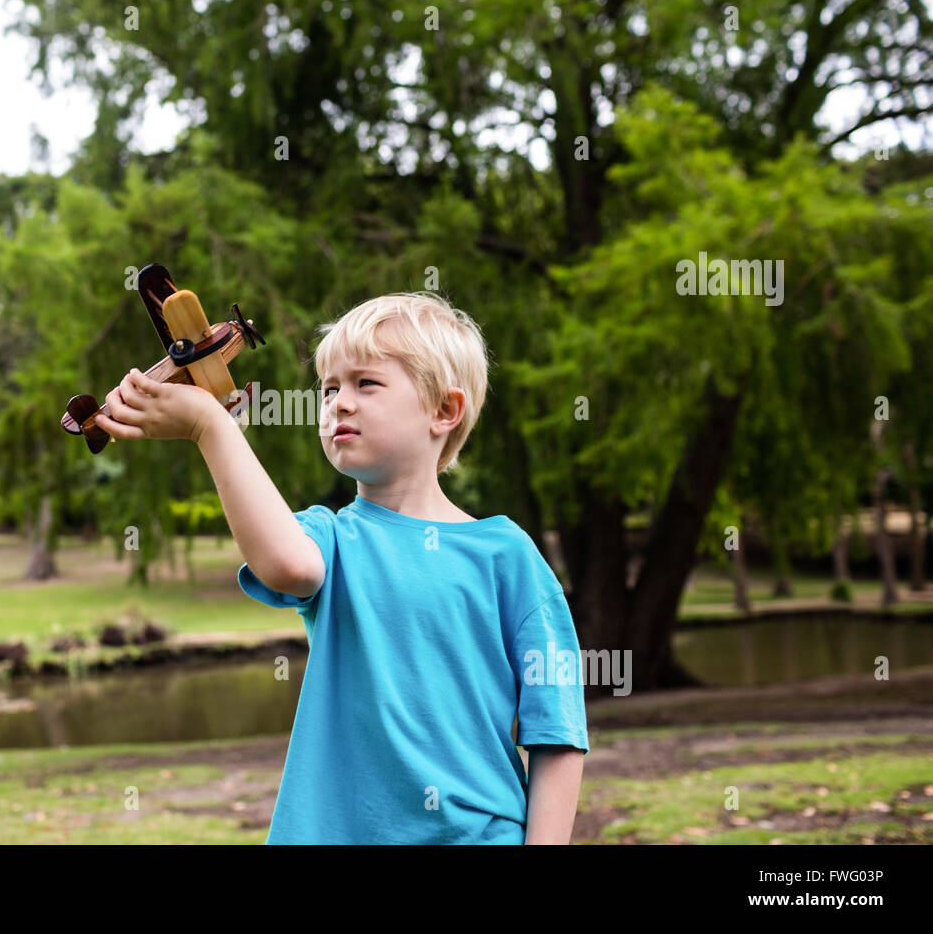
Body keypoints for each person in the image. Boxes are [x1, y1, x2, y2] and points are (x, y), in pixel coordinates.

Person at [94, 291, 589, 844]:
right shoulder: (329, 538)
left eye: (365, 384)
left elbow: (557, 732)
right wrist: (212, 427)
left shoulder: (508, 556)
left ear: (444, 411)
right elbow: (286, 565)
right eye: (329, 389)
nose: (338, 404)